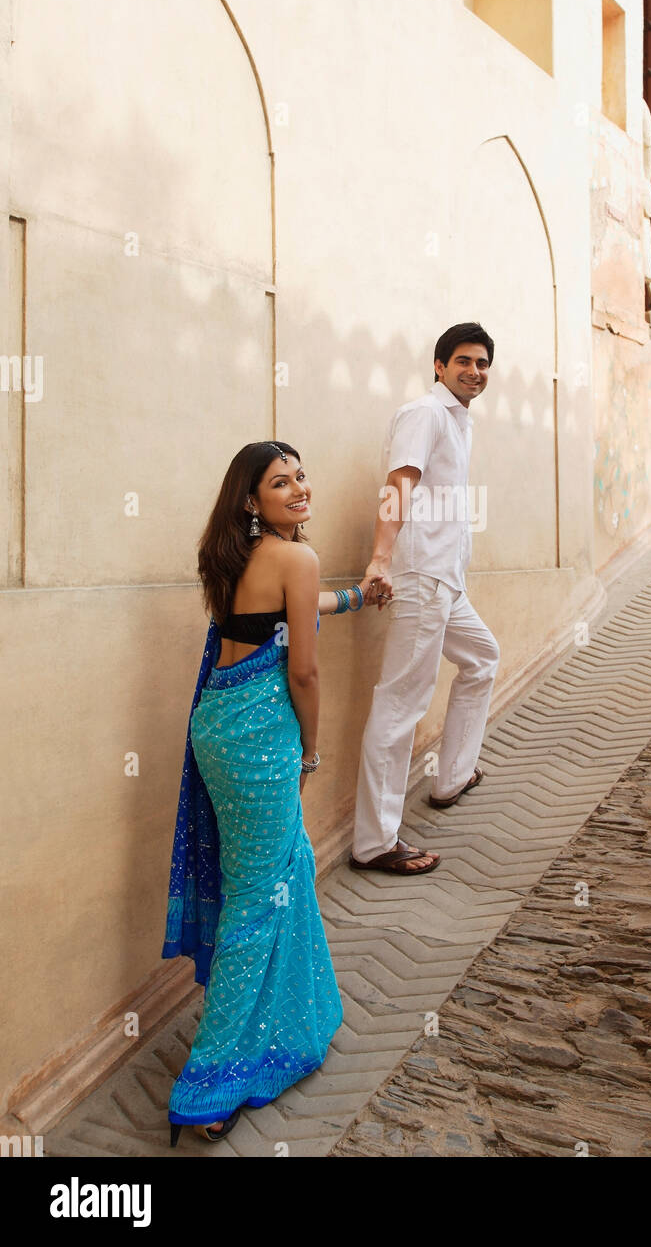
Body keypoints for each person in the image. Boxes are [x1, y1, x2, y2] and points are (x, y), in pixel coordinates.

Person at [162, 440, 381, 1143]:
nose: (300, 489)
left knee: (280, 870)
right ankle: (209, 1084)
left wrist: (352, 596)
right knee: (258, 900)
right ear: (252, 500)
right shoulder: (297, 556)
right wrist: (312, 750)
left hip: (216, 725)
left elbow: (286, 608)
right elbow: (305, 674)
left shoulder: (232, 557)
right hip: (260, 739)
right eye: (281, 483)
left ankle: (283, 1025)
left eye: (301, 477)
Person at [350, 324, 500, 876]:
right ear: (439, 366)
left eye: (483, 363)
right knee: (400, 706)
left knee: (483, 658)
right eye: (463, 361)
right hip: (417, 578)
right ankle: (375, 842)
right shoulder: (426, 413)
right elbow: (400, 483)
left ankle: (453, 776)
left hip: (445, 581)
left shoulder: (461, 420)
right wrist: (380, 562)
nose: (474, 371)